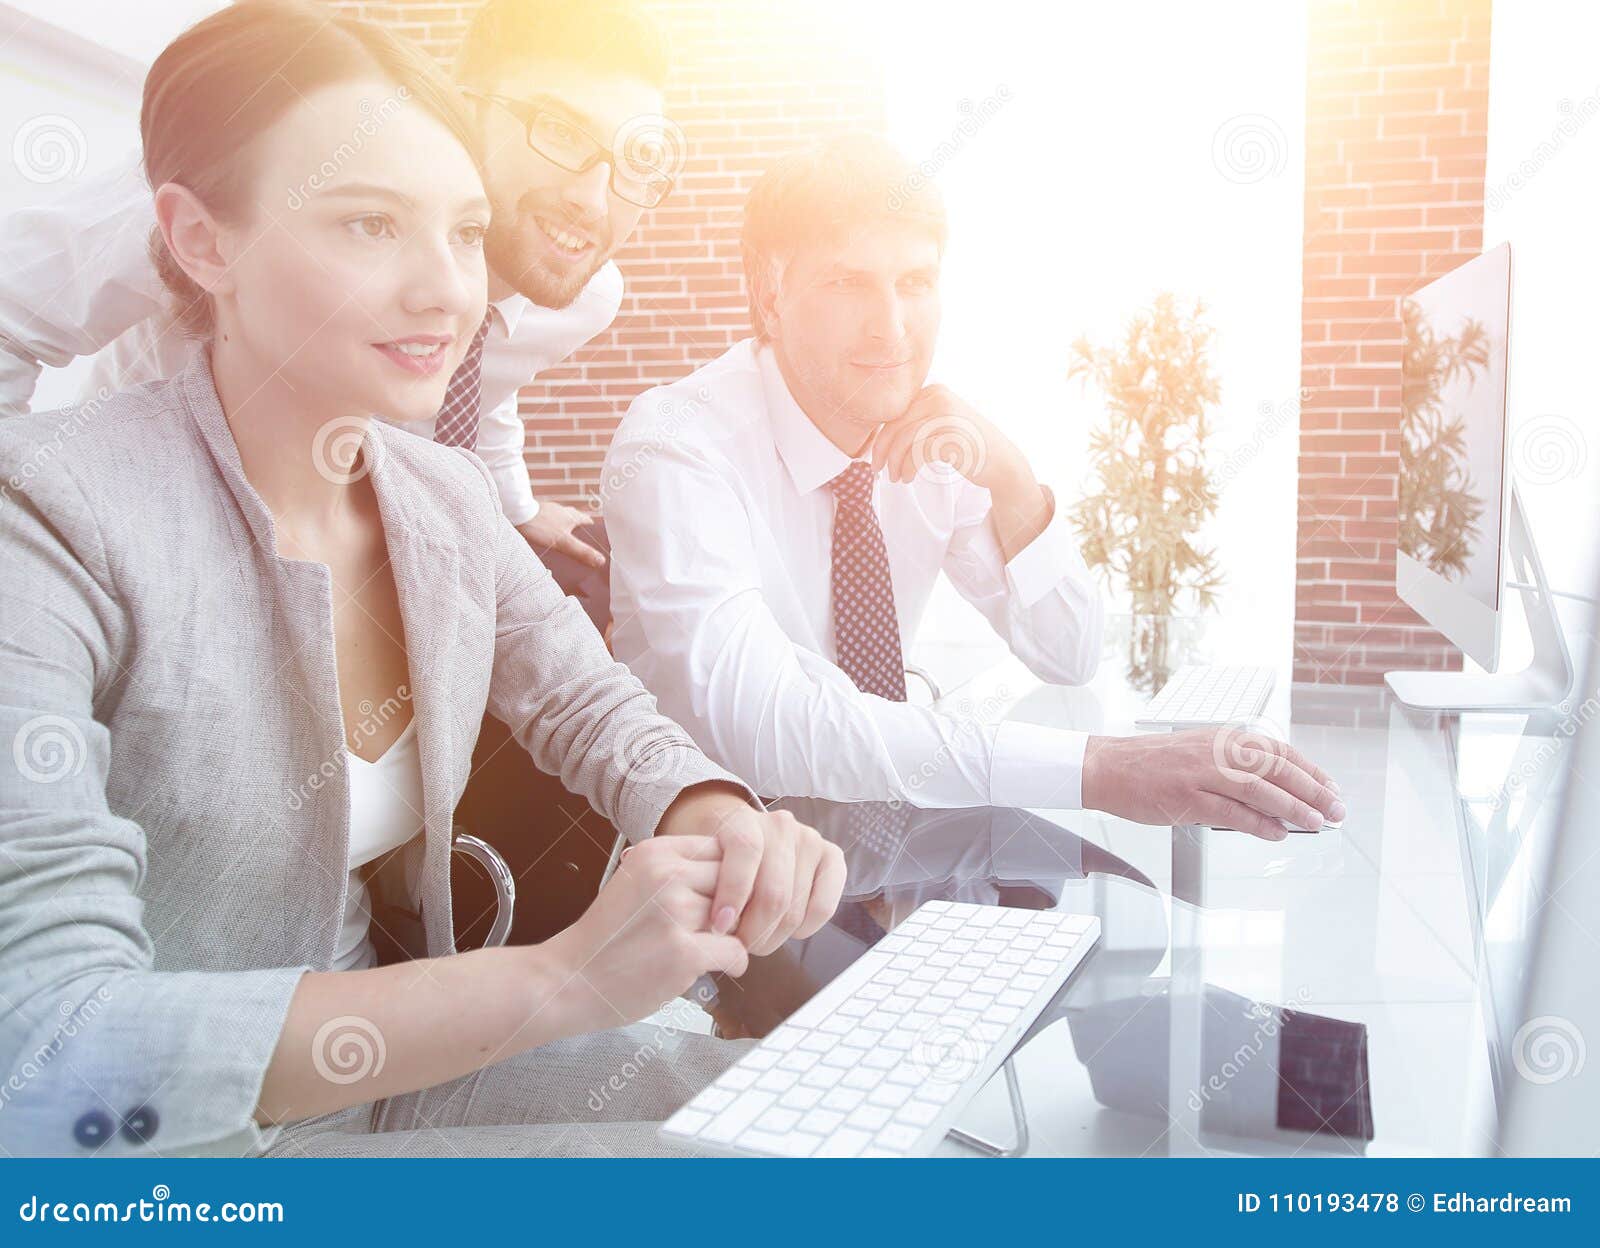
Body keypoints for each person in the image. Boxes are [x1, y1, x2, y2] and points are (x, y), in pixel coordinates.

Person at [0, 2, 843, 1158]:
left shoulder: (439, 493)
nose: (445, 292)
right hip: (169, 1154)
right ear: (201, 242)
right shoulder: (50, 514)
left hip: (393, 1083)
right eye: (367, 226)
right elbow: (54, 1054)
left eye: (463, 233)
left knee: (807, 1126)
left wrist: (710, 808)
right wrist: (558, 983)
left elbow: (585, 702)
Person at [602, 135, 1345, 840]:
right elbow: (763, 724)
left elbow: (1070, 652)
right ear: (769, 297)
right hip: (715, 892)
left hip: (887, 846)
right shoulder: (677, 446)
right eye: (848, 284)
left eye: (915, 283)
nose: (891, 329)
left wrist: (1013, 478)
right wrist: (1100, 769)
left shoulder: (930, 443)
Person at [0, 0, 673, 578]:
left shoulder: (581, 294)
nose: (592, 198)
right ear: (465, 107)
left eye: (634, 156)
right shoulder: (277, 167)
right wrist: (44, 531)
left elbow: (489, 383)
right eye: (559, 132)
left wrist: (515, 508)